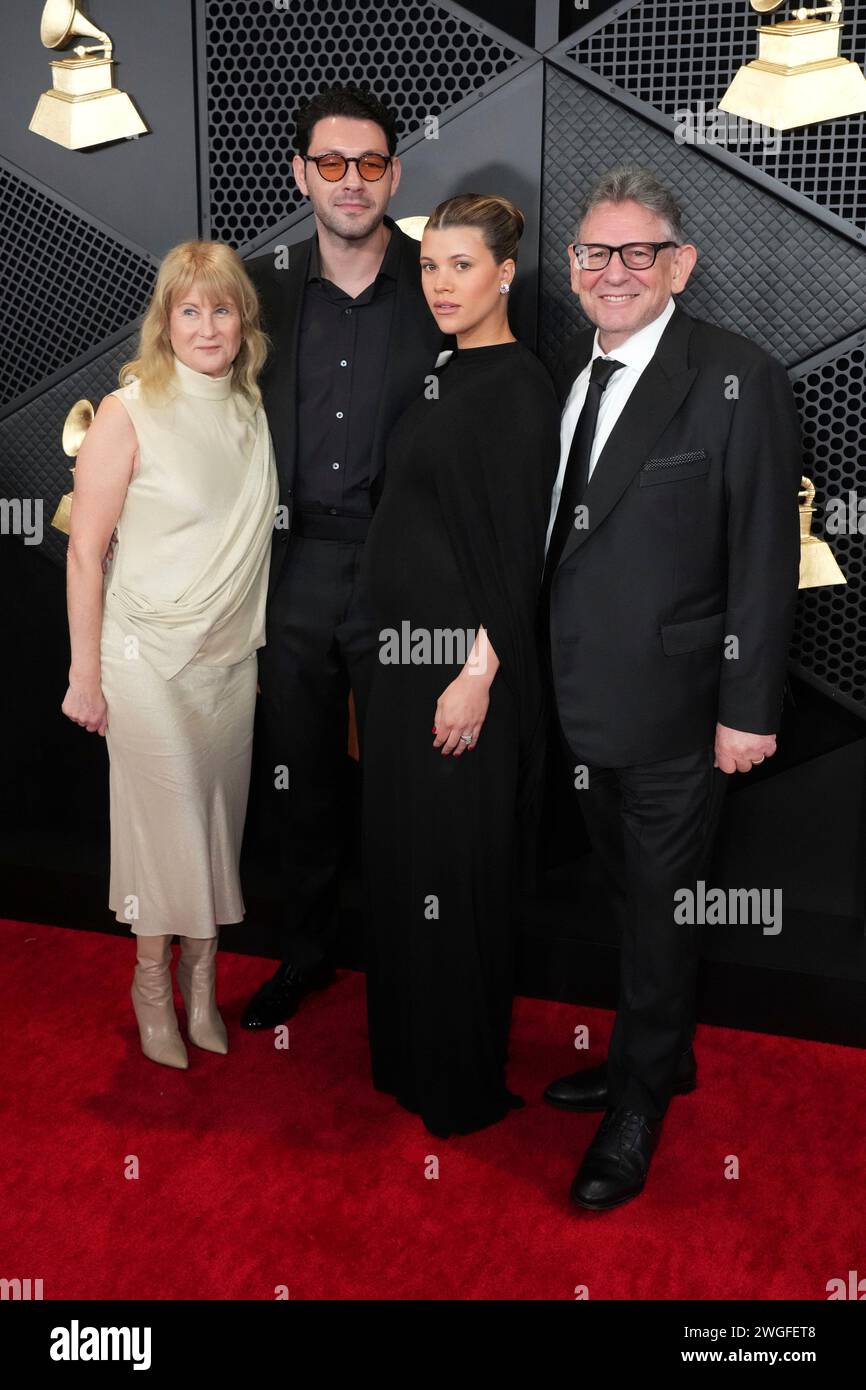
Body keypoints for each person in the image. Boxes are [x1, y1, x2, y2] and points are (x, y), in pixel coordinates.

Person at [539, 164, 803, 1207]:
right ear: (570, 268)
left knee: (657, 910)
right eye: (593, 253)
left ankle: (637, 1100)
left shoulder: (736, 374)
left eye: (635, 251)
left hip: (681, 715)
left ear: (678, 263)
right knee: (627, 897)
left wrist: (745, 710)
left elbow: (761, 556)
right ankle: (658, 1052)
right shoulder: (575, 371)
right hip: (579, 707)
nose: (613, 271)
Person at [241, 86, 447, 1030]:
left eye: (370, 164)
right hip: (291, 569)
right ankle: (307, 955)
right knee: (299, 773)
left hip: (407, 565)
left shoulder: (445, 282)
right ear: (302, 175)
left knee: (411, 779)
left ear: (395, 174)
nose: (351, 181)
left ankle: (414, 970)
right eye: (331, 163)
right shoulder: (263, 290)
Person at [359, 194, 561, 1137]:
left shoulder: (523, 388)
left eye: (462, 266)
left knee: (457, 872)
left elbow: (523, 553)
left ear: (506, 273)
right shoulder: (444, 371)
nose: (441, 284)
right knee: (408, 864)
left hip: (465, 675)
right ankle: (410, 1057)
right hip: (401, 670)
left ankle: (457, 1078)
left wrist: (478, 673)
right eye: (431, 265)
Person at [61, 241, 278, 1070]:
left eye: (222, 308)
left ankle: (201, 985)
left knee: (216, 827)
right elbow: (86, 552)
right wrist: (86, 672)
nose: (207, 325)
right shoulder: (129, 410)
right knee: (168, 828)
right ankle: (155, 986)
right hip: (144, 657)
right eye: (190, 309)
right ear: (166, 321)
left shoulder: (249, 408)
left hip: (229, 664)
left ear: (242, 318)